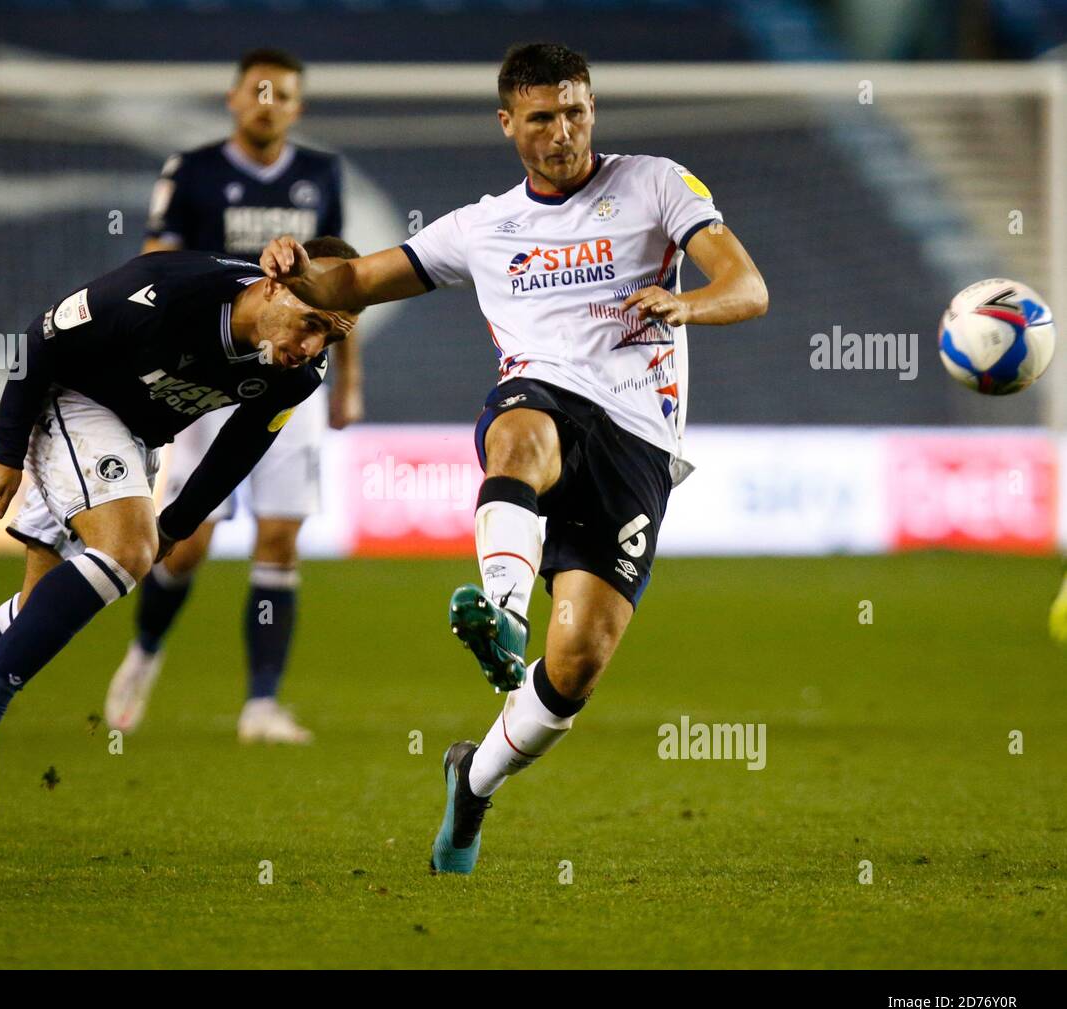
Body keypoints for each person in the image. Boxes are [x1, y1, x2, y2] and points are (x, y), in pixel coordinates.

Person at [258, 43, 768, 874]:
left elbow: (749, 288)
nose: (563, 131)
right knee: (520, 429)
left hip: (640, 441)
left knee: (578, 664)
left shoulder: (656, 184)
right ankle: (502, 611)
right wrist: (295, 267)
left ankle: (474, 781)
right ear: (508, 124)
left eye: (576, 112)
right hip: (543, 398)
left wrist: (687, 302)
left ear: (593, 109)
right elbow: (349, 284)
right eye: (542, 117)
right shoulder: (482, 227)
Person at [0, 240, 360, 861]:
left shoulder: (298, 373)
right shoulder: (171, 290)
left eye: (331, 338)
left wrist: (177, 526)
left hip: (132, 438)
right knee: (127, 549)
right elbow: (41, 337)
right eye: (312, 323)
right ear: (274, 286)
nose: (313, 347)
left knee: (37, 609)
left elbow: (239, 449)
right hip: (71, 401)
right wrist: (4, 451)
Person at [104, 48, 363, 744]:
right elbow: (155, 263)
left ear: (298, 107)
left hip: (293, 369)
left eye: (283, 95)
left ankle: (261, 704)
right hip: (209, 373)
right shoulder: (192, 172)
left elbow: (344, 283)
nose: (268, 103)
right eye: (258, 91)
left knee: (281, 536)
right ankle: (145, 652)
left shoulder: (320, 174)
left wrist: (347, 382)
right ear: (233, 98)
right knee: (188, 542)